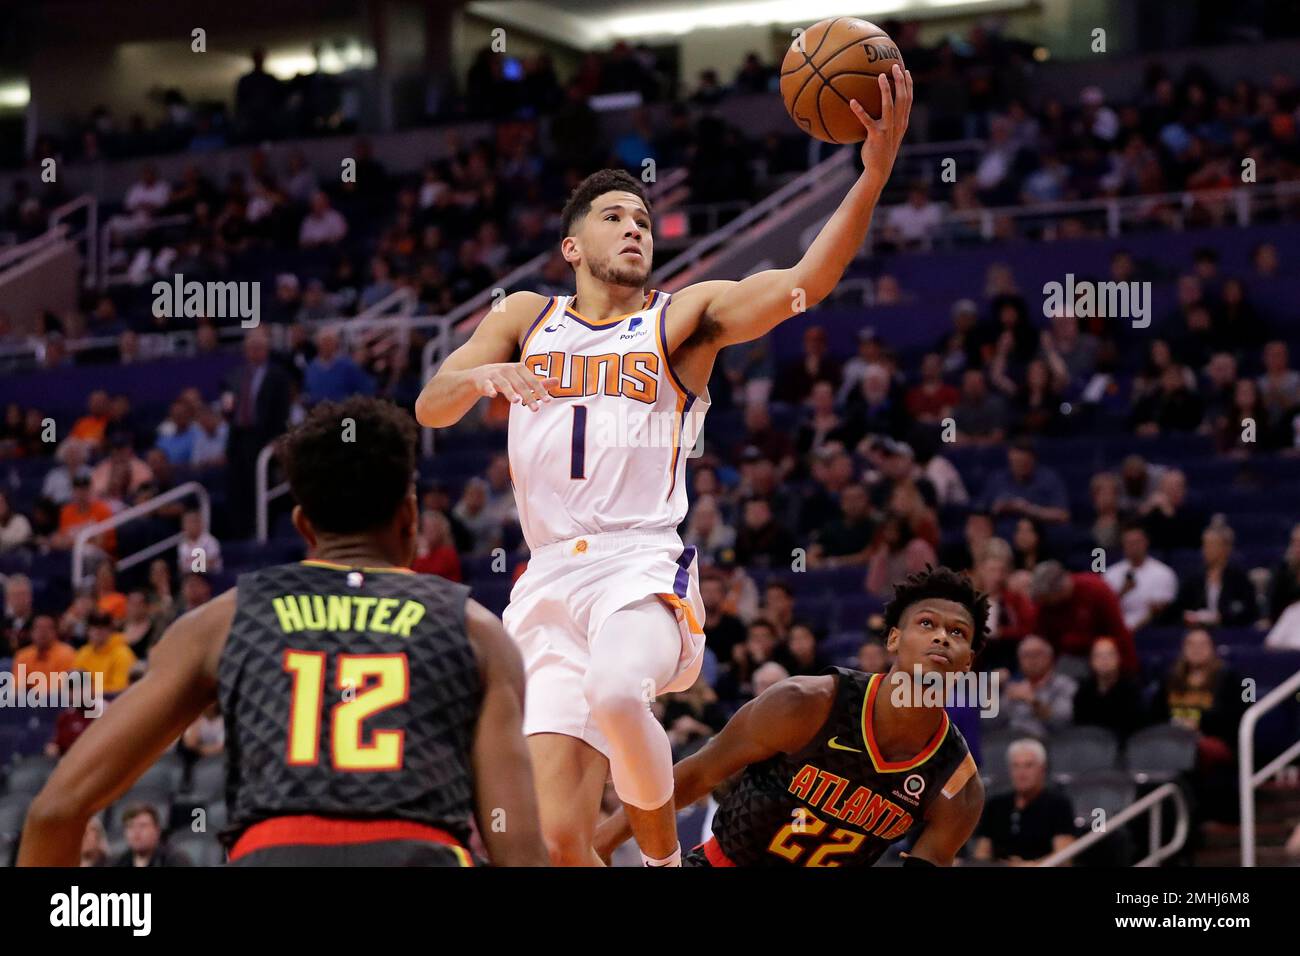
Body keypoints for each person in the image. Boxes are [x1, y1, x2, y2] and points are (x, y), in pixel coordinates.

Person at [416, 71, 917, 868]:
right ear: (572, 247)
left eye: (644, 219)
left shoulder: (680, 317)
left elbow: (800, 286)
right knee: (556, 840)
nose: (635, 229)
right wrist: (480, 378)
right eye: (614, 217)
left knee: (618, 692)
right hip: (546, 580)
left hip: (637, 561)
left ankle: (665, 862)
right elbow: (430, 405)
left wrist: (872, 176)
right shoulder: (523, 317)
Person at [19, 397, 548, 867]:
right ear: (410, 516)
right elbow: (518, 851)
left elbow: (55, 812)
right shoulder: (477, 632)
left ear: (302, 525)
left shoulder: (218, 623)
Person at [593, 567, 985, 867]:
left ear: (968, 661)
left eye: (957, 632)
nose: (942, 638)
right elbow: (697, 774)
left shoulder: (957, 786)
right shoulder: (806, 704)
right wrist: (603, 842)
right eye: (927, 623)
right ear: (894, 639)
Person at [972, 739, 1076, 865]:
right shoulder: (995, 805)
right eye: (1016, 766)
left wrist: (1030, 865)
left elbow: (1064, 857)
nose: (1021, 773)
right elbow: (981, 854)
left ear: (1042, 769)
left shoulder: (1058, 805)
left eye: (1028, 765)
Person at [1102, 523, 1178, 631]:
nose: (1133, 546)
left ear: (1146, 543)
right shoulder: (1110, 574)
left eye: (1137, 542)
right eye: (1129, 543)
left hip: (1151, 630)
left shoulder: (1163, 573)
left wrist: (1133, 630)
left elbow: (1163, 609)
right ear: (1123, 545)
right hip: (1116, 629)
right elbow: (1103, 609)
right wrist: (1123, 591)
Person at [1071, 636, 1144, 740]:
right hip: (1089, 746)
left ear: (1119, 658)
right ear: (1091, 661)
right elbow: (1080, 726)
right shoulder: (1083, 691)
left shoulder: (1131, 690)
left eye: (1110, 654)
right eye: (1098, 656)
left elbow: (1134, 727)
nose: (1104, 660)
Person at [112, 804, 191, 867]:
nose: (136, 831)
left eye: (143, 826)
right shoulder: (118, 861)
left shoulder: (175, 860)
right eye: (130, 826)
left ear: (157, 831)